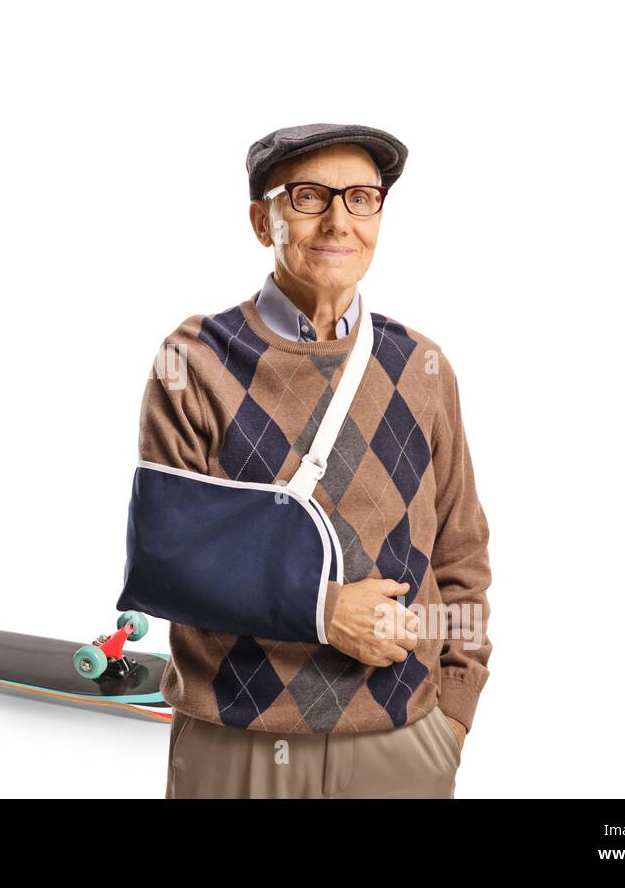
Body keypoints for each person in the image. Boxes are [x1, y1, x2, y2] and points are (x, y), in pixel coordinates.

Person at [136, 123, 493, 798]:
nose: (338, 220)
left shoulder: (422, 366)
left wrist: (454, 710)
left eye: (362, 198)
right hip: (236, 744)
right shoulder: (193, 360)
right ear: (260, 220)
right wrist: (324, 611)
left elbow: (461, 554)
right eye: (307, 197)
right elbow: (164, 560)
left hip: (403, 745)